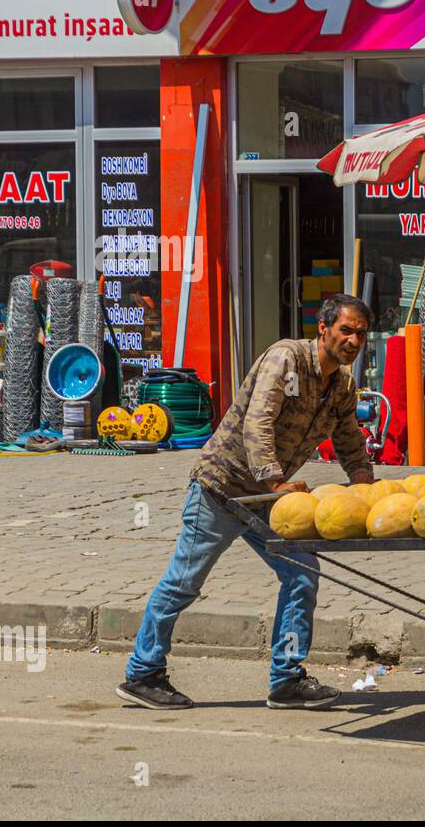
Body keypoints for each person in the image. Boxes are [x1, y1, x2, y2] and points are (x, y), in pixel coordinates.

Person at [117, 294, 375, 711]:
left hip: (268, 498)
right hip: (222, 487)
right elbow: (258, 421)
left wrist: (364, 481)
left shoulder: (342, 386)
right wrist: (274, 480)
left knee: (303, 574)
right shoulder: (285, 359)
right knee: (184, 582)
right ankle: (142, 673)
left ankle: (287, 678)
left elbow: (348, 441)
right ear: (324, 328)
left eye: (360, 333)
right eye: (346, 330)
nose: (353, 340)